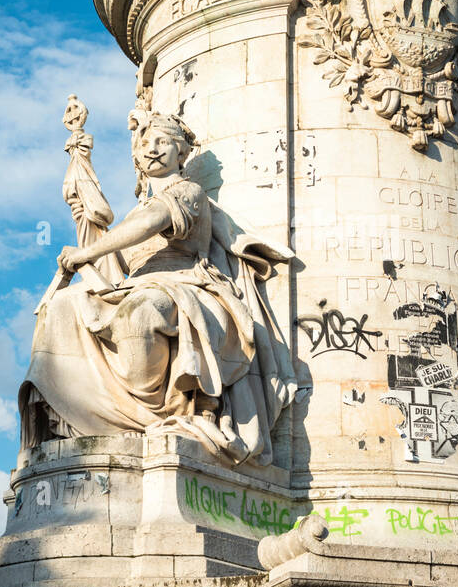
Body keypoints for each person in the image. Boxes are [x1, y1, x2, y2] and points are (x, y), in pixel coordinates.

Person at [19, 111, 295, 466]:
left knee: (142, 312)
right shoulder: (137, 211)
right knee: (61, 307)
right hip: (140, 287)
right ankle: (76, 418)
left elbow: (152, 223)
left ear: (181, 154)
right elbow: (116, 259)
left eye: (163, 142)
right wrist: (85, 210)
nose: (152, 150)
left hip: (190, 287)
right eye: (145, 144)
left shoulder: (188, 192)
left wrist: (87, 252)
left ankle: (171, 412)